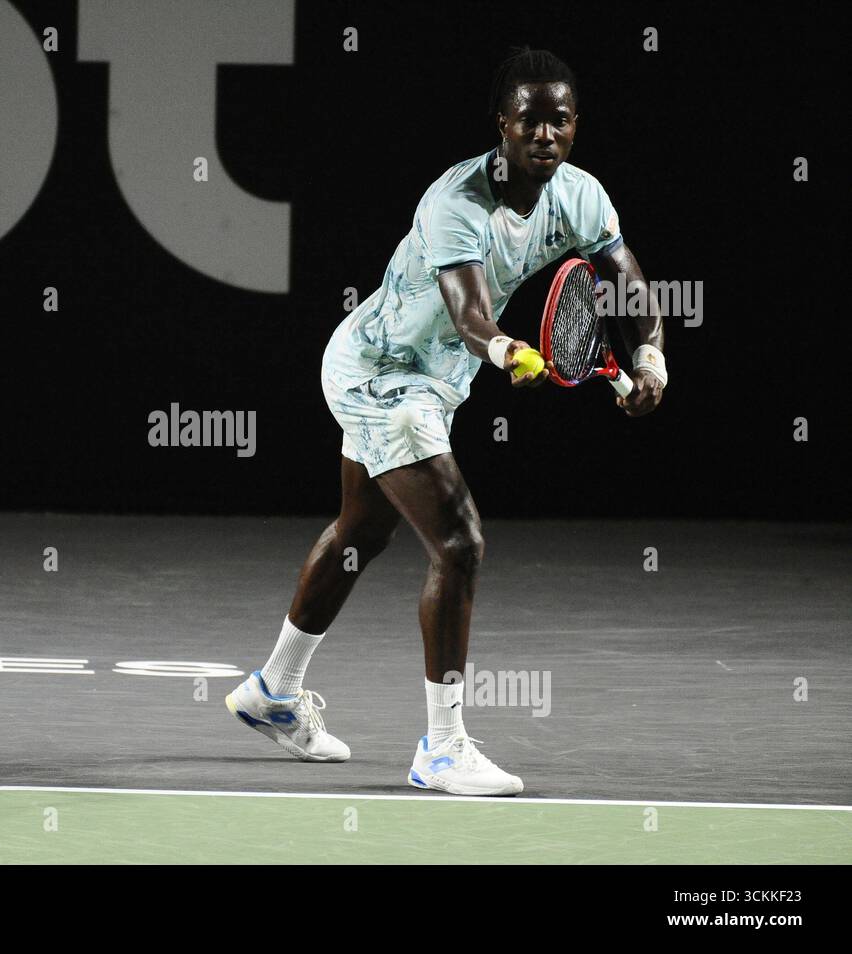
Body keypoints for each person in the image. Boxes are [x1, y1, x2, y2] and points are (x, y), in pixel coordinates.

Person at [225, 47, 667, 796]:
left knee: (361, 532)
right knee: (459, 542)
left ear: (574, 127)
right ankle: (442, 748)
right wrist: (504, 351)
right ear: (503, 125)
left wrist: (651, 357)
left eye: (559, 120)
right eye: (529, 120)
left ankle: (273, 691)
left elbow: (625, 278)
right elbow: (468, 313)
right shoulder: (454, 202)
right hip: (382, 374)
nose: (544, 135)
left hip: (432, 383)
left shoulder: (581, 197)